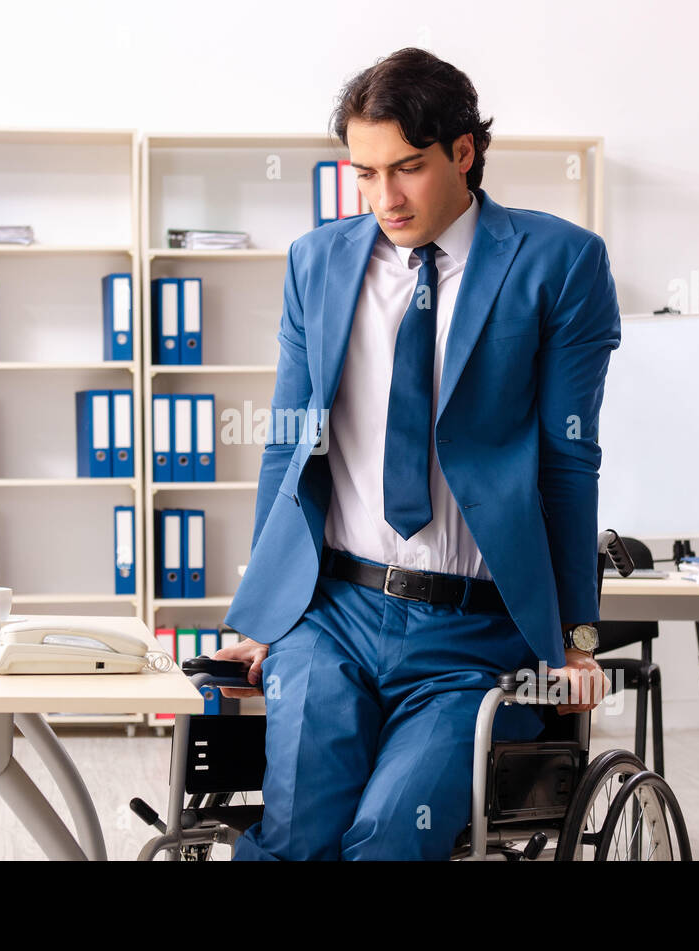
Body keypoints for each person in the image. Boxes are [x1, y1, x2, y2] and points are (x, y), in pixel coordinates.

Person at [216, 47, 619, 861]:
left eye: (407, 169)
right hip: (333, 617)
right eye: (364, 174)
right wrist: (258, 616)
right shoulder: (317, 262)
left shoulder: (559, 263)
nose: (384, 198)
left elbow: (570, 463)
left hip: (471, 635)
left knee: (390, 836)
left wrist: (575, 638)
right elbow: (290, 446)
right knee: (298, 834)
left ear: (464, 152)